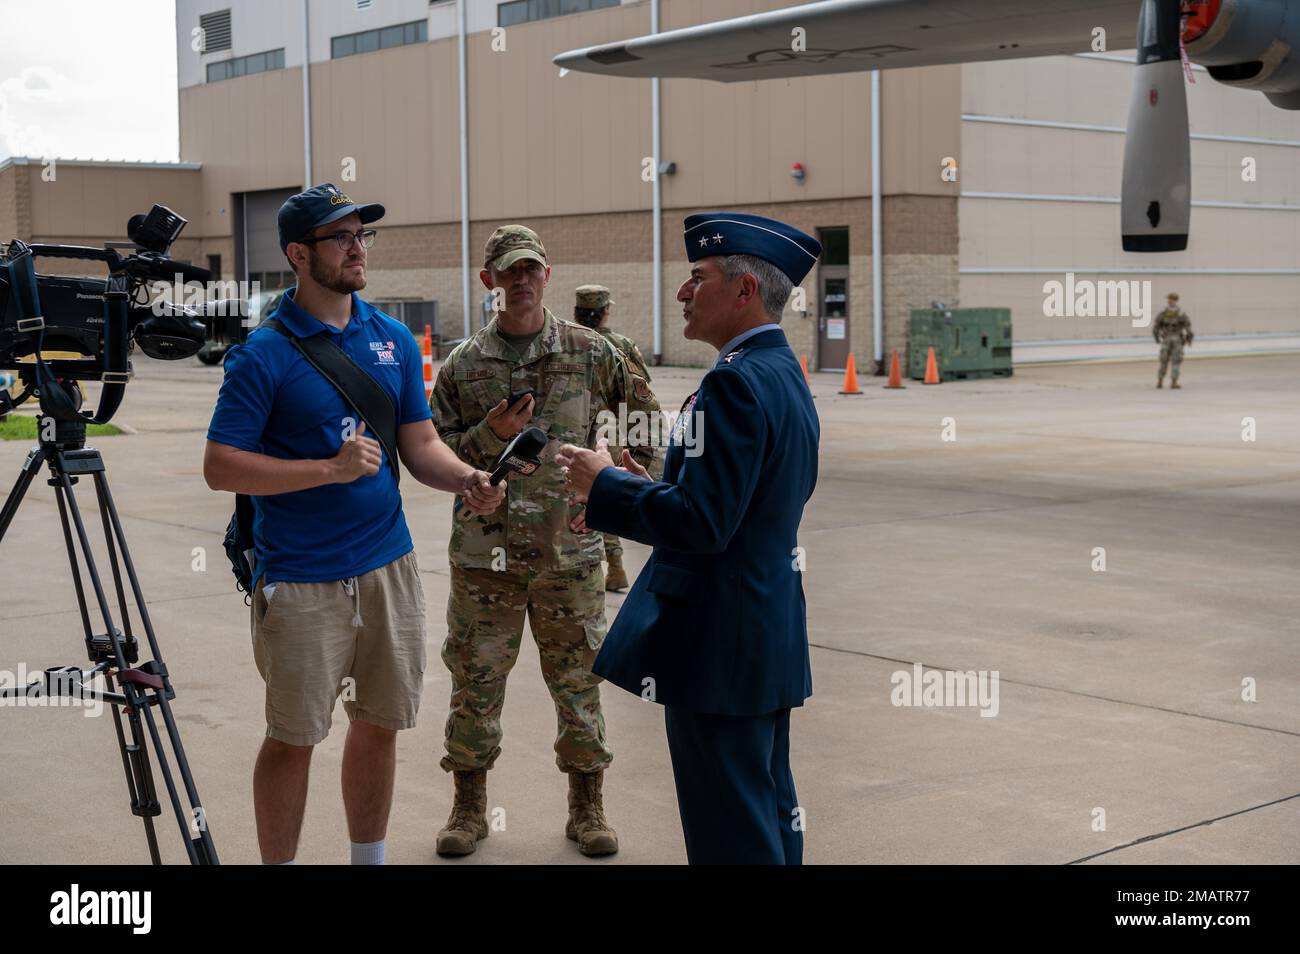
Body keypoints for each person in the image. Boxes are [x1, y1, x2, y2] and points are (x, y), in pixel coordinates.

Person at [204, 183, 503, 865]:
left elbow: (419, 445)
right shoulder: (263, 354)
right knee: (294, 737)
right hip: (303, 577)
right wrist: (327, 470)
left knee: (380, 726)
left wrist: (466, 480)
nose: (358, 248)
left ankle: (367, 860)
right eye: (341, 237)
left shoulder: (392, 338)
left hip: (388, 568)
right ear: (299, 255)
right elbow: (222, 466)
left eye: (362, 235)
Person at [557, 212, 821, 865]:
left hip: (720, 645)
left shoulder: (732, 384)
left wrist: (603, 489)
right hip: (763, 632)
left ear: (744, 292)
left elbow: (704, 525)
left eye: (697, 278)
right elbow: (742, 504)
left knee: (730, 831)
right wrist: (644, 485)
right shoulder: (781, 373)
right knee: (766, 809)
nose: (682, 291)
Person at [429, 225, 649, 857]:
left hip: (569, 557)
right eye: (508, 270)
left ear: (547, 275)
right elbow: (434, 452)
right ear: (489, 281)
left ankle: (588, 809)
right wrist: (487, 447)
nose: (521, 280)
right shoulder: (465, 365)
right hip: (483, 560)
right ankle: (469, 809)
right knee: (474, 684)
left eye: (531, 269)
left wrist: (619, 485)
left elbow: (641, 420)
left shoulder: (592, 350)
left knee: (579, 685)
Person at [572, 284, 663, 591]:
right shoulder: (621, 345)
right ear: (606, 311)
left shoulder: (568, 342)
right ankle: (615, 565)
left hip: (571, 434)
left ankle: (595, 565)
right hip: (606, 434)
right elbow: (639, 396)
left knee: (575, 501)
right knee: (600, 494)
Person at [1154, 292, 1194, 389]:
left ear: (1175, 300)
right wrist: (1189, 339)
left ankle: (1172, 382)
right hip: (1172, 339)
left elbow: (1188, 328)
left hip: (1171, 339)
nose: (1169, 301)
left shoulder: (1165, 313)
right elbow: (1156, 327)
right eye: (1169, 299)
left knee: (1174, 361)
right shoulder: (1177, 313)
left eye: (1170, 299)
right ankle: (1161, 381)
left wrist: (1189, 338)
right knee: (1164, 360)